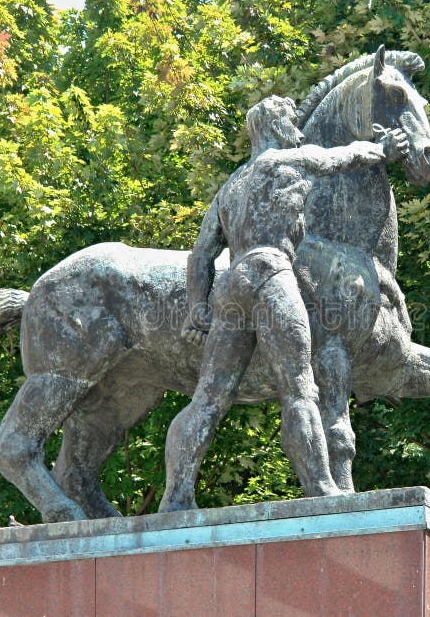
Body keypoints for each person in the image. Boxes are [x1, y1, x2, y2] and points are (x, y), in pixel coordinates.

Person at [159, 95, 408, 512]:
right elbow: (344, 157)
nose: (299, 130)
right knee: (299, 387)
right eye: (292, 121)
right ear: (274, 126)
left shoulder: (231, 186)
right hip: (271, 273)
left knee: (208, 398)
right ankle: (321, 488)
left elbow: (201, 254)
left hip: (232, 283)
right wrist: (383, 150)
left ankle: (175, 497)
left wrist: (198, 307)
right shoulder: (290, 161)